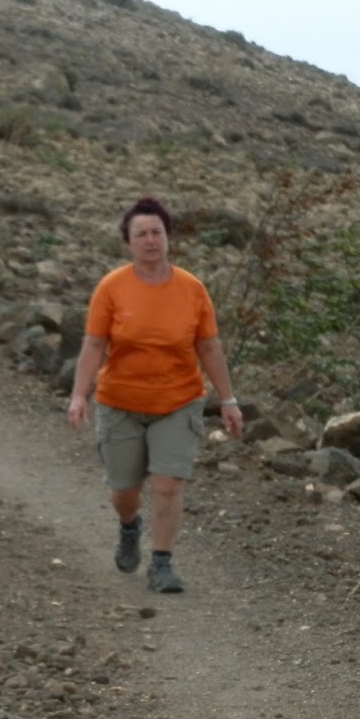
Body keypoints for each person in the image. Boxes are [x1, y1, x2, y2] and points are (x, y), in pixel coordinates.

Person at [66, 195, 243, 593]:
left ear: (168, 237)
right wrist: (79, 395)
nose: (150, 240)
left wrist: (228, 400)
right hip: (120, 403)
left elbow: (209, 347)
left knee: (167, 484)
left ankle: (161, 563)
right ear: (128, 243)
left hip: (178, 401)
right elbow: (94, 345)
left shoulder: (192, 289)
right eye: (141, 234)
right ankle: (130, 526)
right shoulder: (112, 288)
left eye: (157, 232)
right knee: (124, 491)